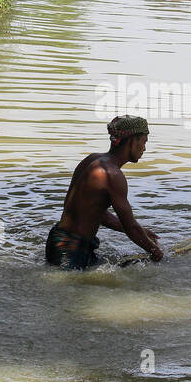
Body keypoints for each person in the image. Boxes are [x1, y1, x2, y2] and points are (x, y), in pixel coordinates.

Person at [45, 115, 163, 270]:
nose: (144, 148)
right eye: (144, 141)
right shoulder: (111, 174)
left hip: (60, 241)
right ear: (133, 141)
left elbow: (96, 212)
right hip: (70, 249)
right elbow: (130, 226)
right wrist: (157, 253)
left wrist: (142, 232)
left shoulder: (93, 160)